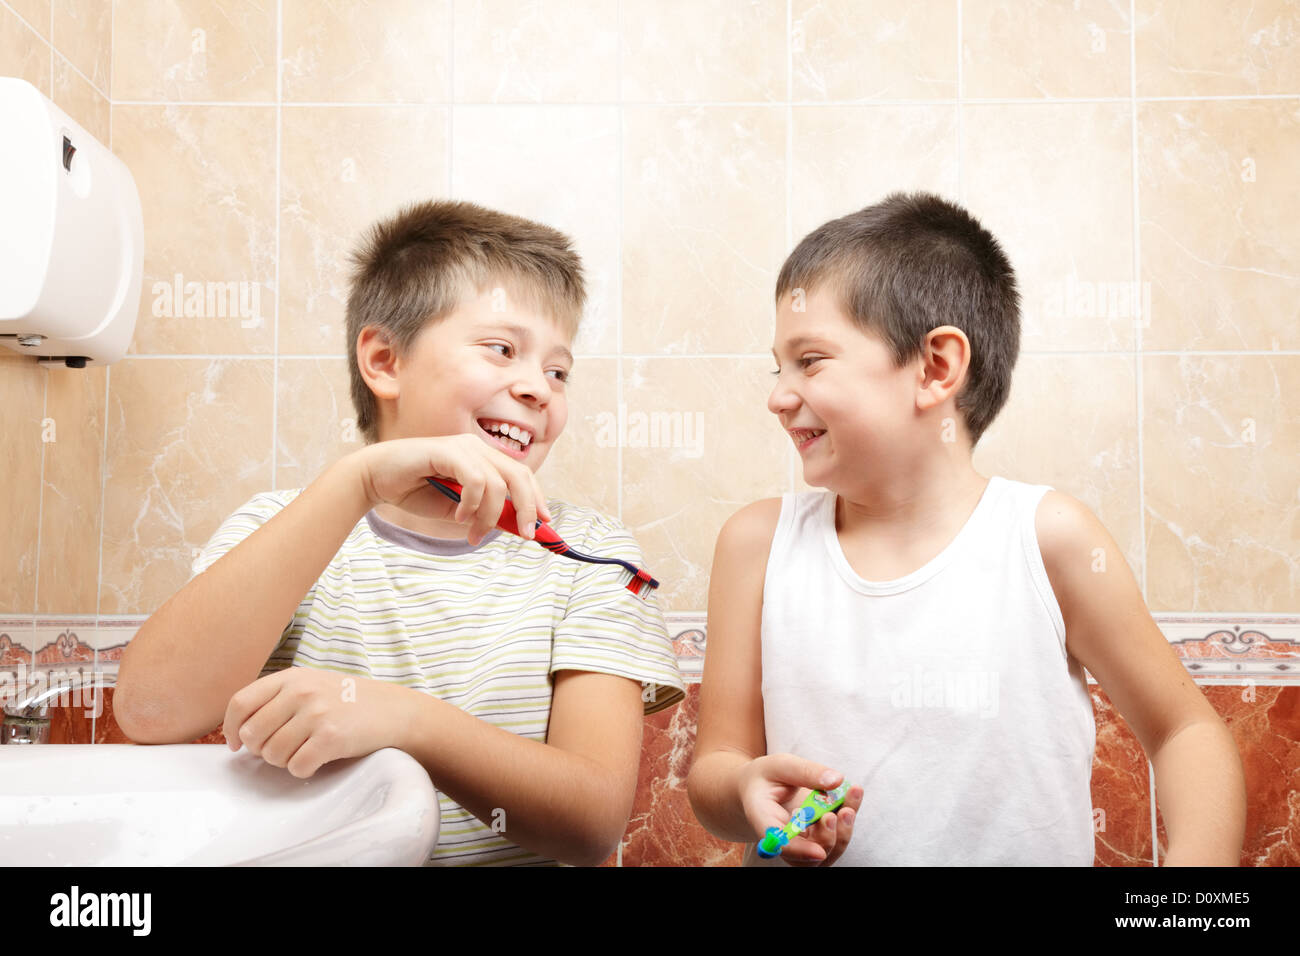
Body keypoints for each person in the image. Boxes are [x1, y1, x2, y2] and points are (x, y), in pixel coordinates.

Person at [115, 199, 685, 866]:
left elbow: (589, 828)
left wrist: (404, 719)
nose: (539, 389)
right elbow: (151, 711)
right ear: (385, 361)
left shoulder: (596, 559)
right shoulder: (281, 528)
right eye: (503, 349)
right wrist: (353, 484)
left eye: (558, 370)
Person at [686, 191, 1246, 866]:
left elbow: (1185, 730)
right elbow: (717, 762)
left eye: (810, 360)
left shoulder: (1049, 540)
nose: (778, 394)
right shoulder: (756, 545)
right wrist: (747, 786)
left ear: (936, 368)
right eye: (778, 367)